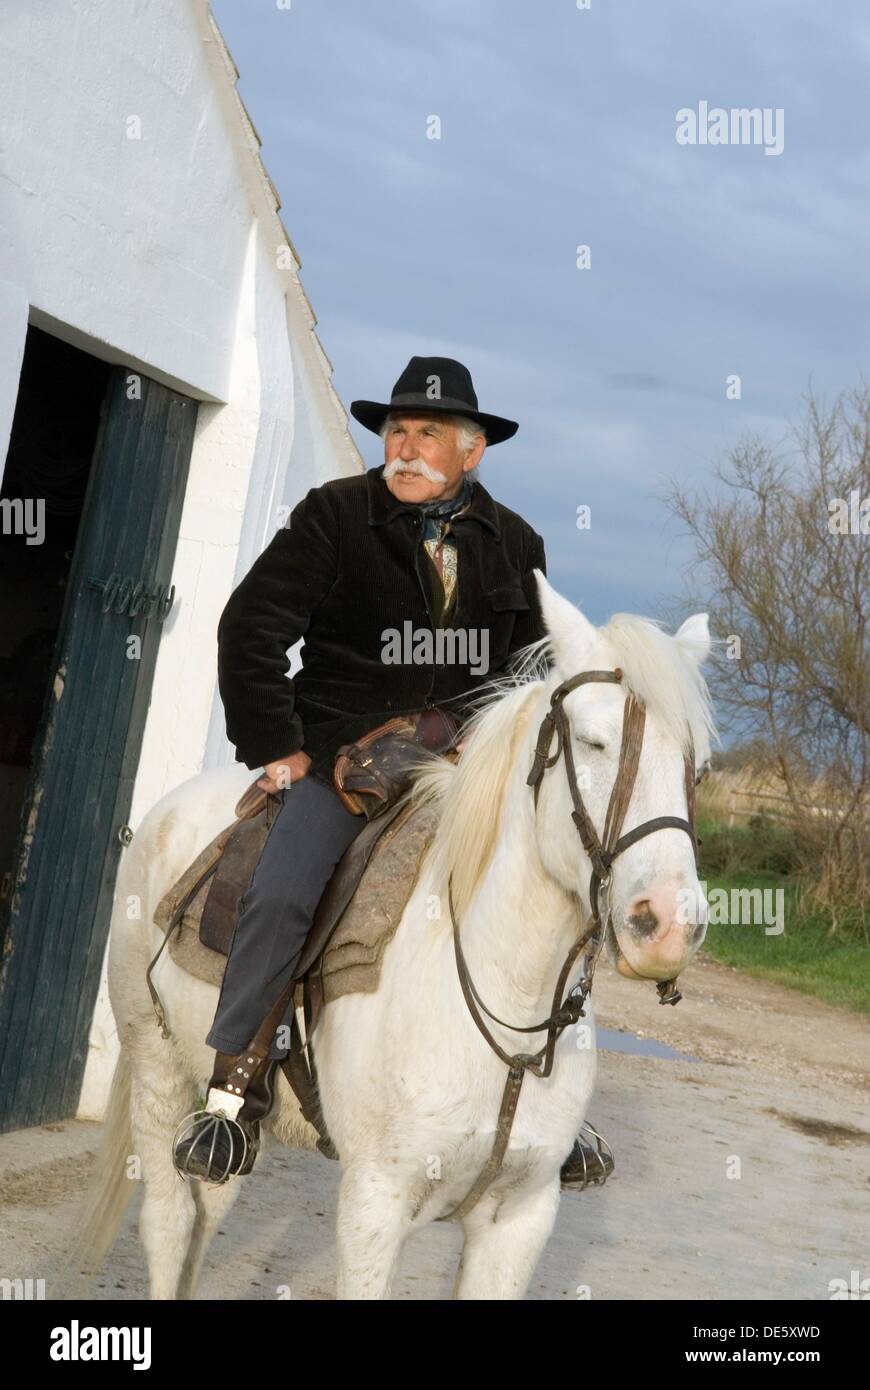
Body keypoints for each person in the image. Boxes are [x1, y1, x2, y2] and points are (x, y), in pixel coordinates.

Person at [173, 356, 613, 1189]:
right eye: (396, 432)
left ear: (472, 451)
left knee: (553, 886)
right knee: (281, 890)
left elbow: (526, 679)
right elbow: (251, 627)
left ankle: (558, 1098)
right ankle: (233, 1090)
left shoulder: (517, 544)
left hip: (464, 764)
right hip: (343, 756)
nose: (405, 449)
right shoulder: (335, 515)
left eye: (428, 434)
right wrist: (278, 744)